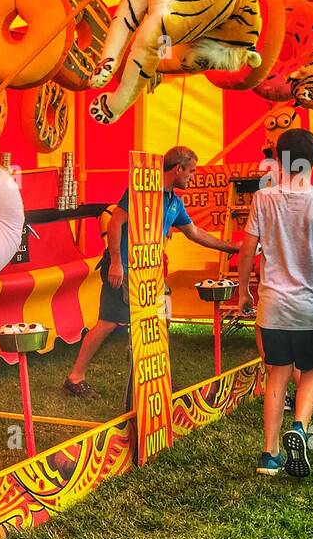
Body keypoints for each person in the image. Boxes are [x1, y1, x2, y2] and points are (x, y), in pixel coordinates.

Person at [64, 145, 239, 397]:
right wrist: (116, 262)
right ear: (177, 169)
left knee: (160, 319)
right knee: (109, 323)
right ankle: (75, 377)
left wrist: (231, 248)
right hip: (123, 269)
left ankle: (157, 377)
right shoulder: (141, 191)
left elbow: (194, 232)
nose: (192, 177)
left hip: (151, 272)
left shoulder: (174, 202)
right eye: (190, 172)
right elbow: (115, 222)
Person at [235, 128, 313, 478]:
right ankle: (299, 426)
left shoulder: (263, 199)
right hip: (311, 304)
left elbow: (246, 250)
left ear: (278, 160)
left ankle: (270, 454)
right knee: (312, 371)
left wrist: (243, 291)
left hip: (272, 305)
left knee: (276, 375)